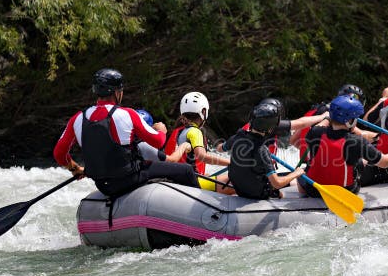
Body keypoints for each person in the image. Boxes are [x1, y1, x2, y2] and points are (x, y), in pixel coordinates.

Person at [53, 68, 198, 197]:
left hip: (102, 185)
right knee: (186, 171)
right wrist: (161, 130)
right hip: (129, 179)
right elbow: (158, 141)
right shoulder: (128, 114)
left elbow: (59, 154)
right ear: (117, 93)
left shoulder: (78, 118)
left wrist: (75, 169)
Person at [298, 95, 388, 197]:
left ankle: (302, 193)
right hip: (345, 191)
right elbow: (386, 162)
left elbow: (323, 124)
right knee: (362, 160)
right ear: (350, 121)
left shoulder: (315, 132)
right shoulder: (357, 142)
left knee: (303, 170)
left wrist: (330, 117)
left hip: (313, 189)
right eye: (356, 118)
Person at [227, 102, 305, 199]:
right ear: (271, 128)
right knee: (286, 189)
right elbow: (277, 183)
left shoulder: (237, 137)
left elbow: (220, 148)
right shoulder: (262, 150)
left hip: (240, 190)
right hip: (257, 194)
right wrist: (296, 173)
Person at [164, 91, 234, 194]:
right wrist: (230, 162)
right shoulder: (194, 132)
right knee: (235, 180)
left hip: (175, 180)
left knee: (210, 176)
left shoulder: (176, 131)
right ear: (203, 112)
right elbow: (202, 157)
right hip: (190, 183)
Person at [289, 84, 376, 163]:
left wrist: (311, 150)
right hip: (321, 165)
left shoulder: (315, 110)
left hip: (306, 164)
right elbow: (361, 134)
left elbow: (293, 140)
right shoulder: (339, 117)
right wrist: (380, 136)